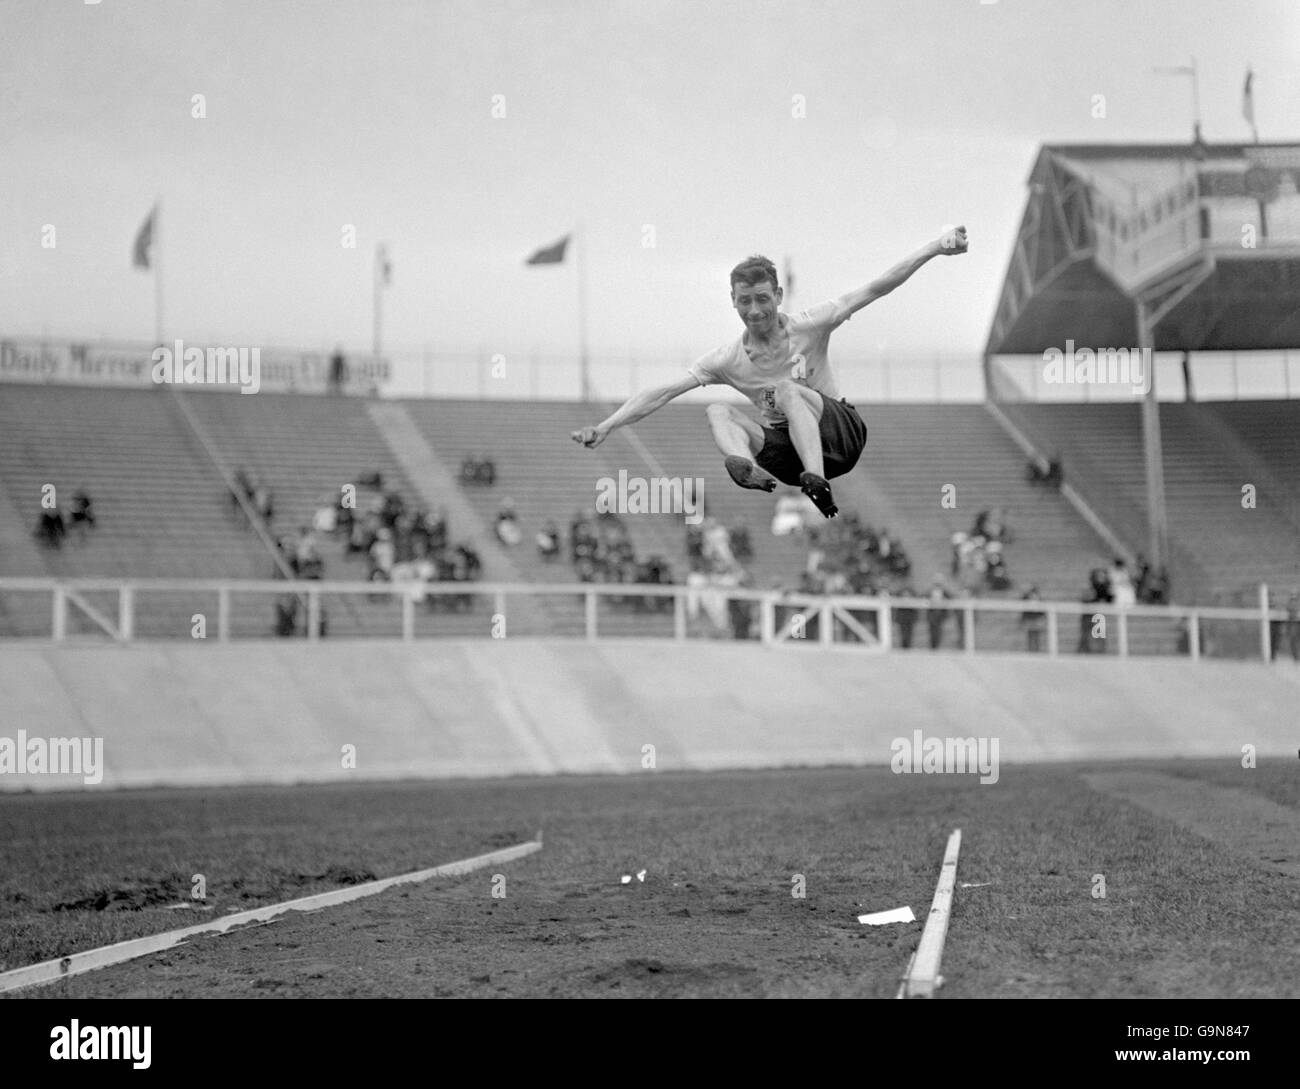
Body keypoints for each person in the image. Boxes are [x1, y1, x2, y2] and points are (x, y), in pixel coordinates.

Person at [572, 229, 969, 518]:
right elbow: (662, 393)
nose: (755, 310)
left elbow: (877, 287)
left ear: (778, 296)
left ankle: (817, 479)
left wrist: (935, 248)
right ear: (733, 301)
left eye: (763, 299)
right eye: (745, 301)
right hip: (788, 455)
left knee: (786, 390)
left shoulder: (812, 324)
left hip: (839, 433)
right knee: (718, 412)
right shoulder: (728, 359)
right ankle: (748, 469)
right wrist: (607, 425)